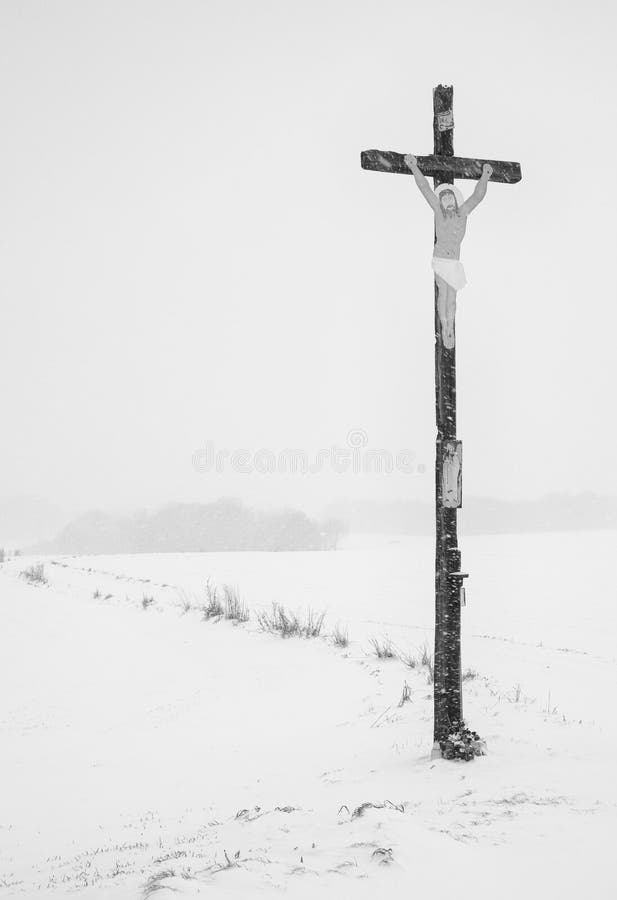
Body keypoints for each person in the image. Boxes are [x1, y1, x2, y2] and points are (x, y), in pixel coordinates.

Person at [404, 154, 493, 349]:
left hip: (453, 263)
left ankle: (449, 326)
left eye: (449, 198)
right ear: (441, 203)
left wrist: (485, 176)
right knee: (443, 294)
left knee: (452, 299)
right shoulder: (438, 211)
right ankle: (444, 326)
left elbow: (477, 197)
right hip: (441, 259)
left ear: (454, 199)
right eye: (443, 199)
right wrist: (414, 168)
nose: (447, 201)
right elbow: (425, 189)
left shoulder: (462, 213)